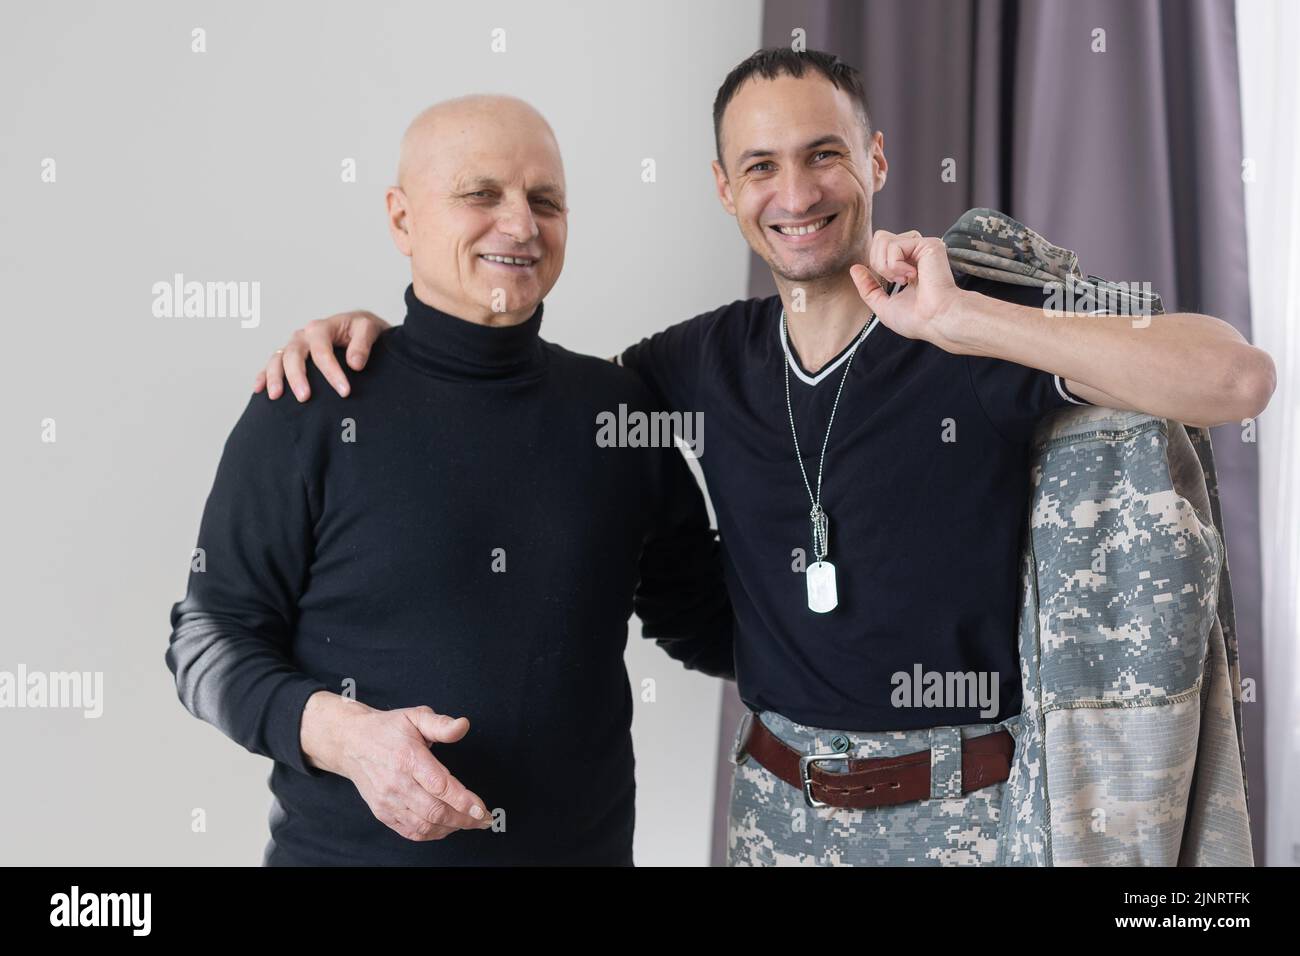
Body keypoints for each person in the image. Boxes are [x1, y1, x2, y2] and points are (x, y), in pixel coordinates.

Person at [252, 50, 1276, 866]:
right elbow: (526, 406)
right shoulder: (692, 362)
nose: (796, 191)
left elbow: (1233, 377)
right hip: (772, 814)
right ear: (723, 188)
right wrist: (383, 342)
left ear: (873, 161)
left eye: (823, 154)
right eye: (760, 165)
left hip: (973, 815)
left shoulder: (973, 329)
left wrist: (971, 318)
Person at [166, 95, 734, 866]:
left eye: (546, 201)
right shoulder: (310, 402)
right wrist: (346, 736)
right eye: (481, 194)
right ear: (402, 219)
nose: (522, 224)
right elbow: (207, 639)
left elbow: (713, 619)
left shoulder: (618, 411)